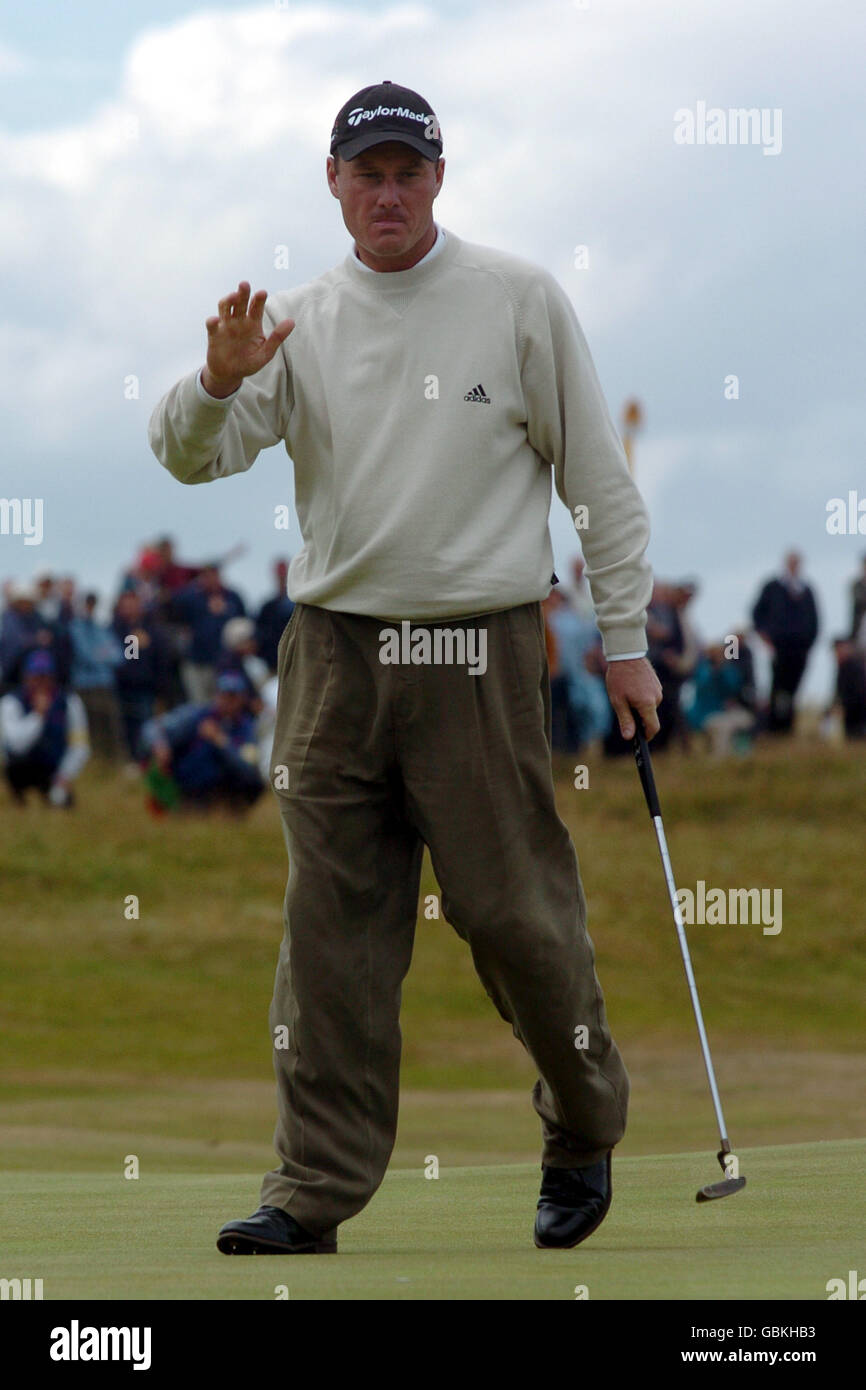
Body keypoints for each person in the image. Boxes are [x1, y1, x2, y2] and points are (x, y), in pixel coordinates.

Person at [149, 79, 661, 1256]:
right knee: (330, 934)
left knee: (514, 918)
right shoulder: (293, 320)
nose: (386, 192)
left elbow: (599, 484)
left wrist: (622, 643)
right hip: (332, 656)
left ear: (439, 178)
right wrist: (218, 378)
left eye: (406, 171)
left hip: (476, 651)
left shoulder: (517, 300)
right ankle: (311, 1191)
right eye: (364, 172)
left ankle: (581, 1124)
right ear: (331, 182)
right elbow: (190, 457)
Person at [138, 670, 264, 813]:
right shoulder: (196, 715)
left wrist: (221, 742)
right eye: (224, 695)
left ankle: (231, 815)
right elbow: (151, 728)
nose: (228, 701)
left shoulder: (246, 727)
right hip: (189, 784)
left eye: (233, 697)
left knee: (255, 783)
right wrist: (159, 745)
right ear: (217, 695)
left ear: (242, 699)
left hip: (223, 787)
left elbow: (249, 767)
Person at [1, 649, 90, 806]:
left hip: (54, 769)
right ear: (26, 677)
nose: (40, 682)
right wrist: (38, 716)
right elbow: (15, 746)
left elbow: (80, 746)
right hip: (21, 768)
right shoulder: (10, 703)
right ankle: (18, 800)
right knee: (14, 768)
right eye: (36, 677)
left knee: (61, 802)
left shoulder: (70, 702)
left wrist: (64, 776)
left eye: (45, 677)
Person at [752, 551, 819, 734]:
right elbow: (756, 614)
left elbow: (815, 621)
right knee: (779, 689)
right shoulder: (772, 587)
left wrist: (808, 644)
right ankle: (775, 728)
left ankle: (787, 728)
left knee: (792, 691)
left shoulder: (806, 590)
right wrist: (765, 636)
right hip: (779, 649)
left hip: (800, 650)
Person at [69, 593, 124, 760]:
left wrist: (100, 655)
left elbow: (120, 656)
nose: (90, 607)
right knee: (89, 729)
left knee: (111, 727)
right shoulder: (75, 627)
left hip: (105, 685)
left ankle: (113, 762)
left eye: (93, 604)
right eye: (88, 603)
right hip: (84, 686)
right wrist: (104, 654)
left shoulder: (102, 628)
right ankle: (92, 764)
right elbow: (85, 654)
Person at [255, 560, 295, 673]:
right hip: (273, 664)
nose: (282, 580)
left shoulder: (299, 605)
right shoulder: (268, 607)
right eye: (280, 577)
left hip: (295, 664)